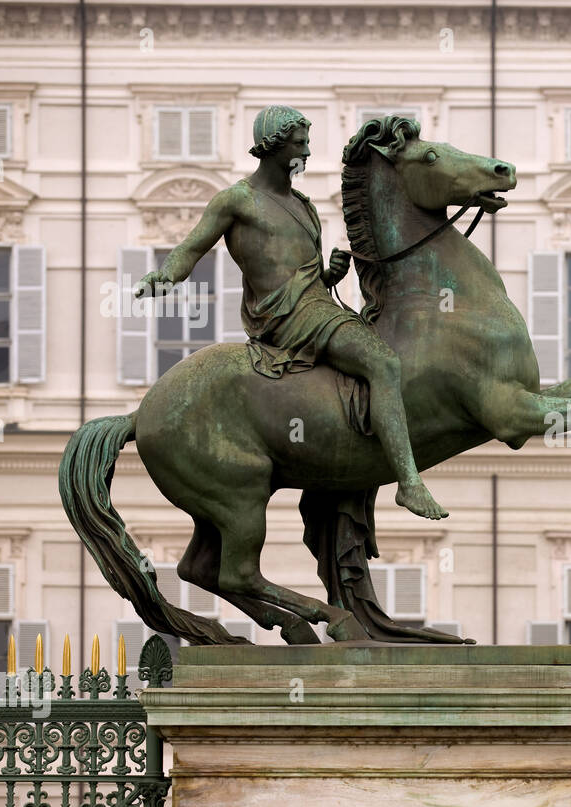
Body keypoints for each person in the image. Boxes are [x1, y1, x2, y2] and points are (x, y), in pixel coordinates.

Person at [134, 105, 446, 520]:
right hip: (286, 316)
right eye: (300, 143)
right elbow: (190, 250)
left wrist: (330, 274)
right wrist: (162, 277)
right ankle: (408, 483)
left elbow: (305, 272)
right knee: (383, 362)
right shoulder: (237, 200)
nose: (307, 151)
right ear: (273, 146)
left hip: (315, 304)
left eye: (307, 143)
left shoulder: (303, 205)